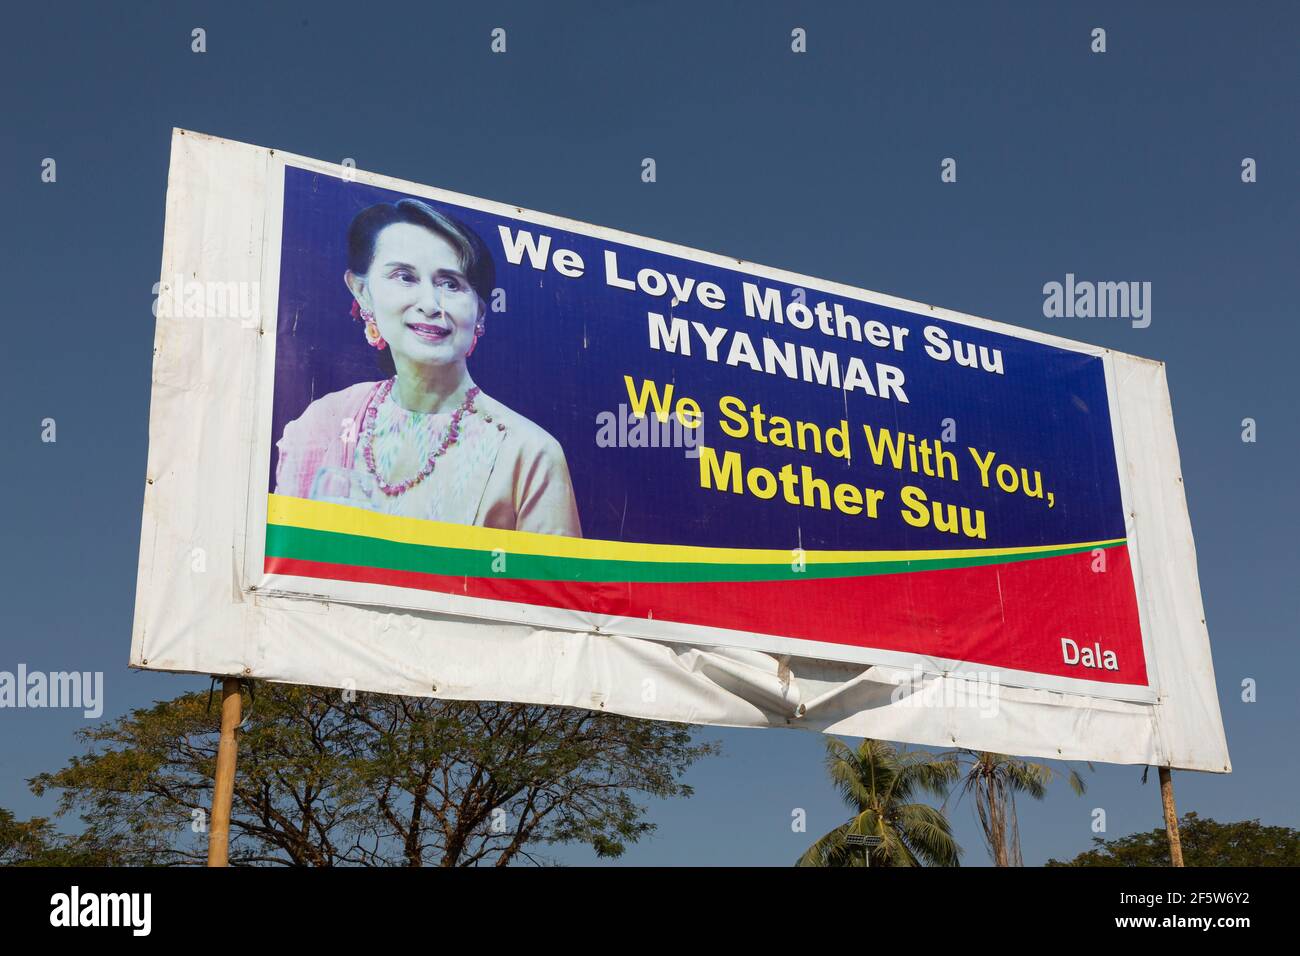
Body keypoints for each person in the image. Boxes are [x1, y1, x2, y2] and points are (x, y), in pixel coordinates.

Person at [274, 197, 582, 537]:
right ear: (363, 292)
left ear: (480, 313)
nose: (431, 305)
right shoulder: (322, 424)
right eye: (404, 277)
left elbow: (551, 588)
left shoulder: (530, 454)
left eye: (451, 284)